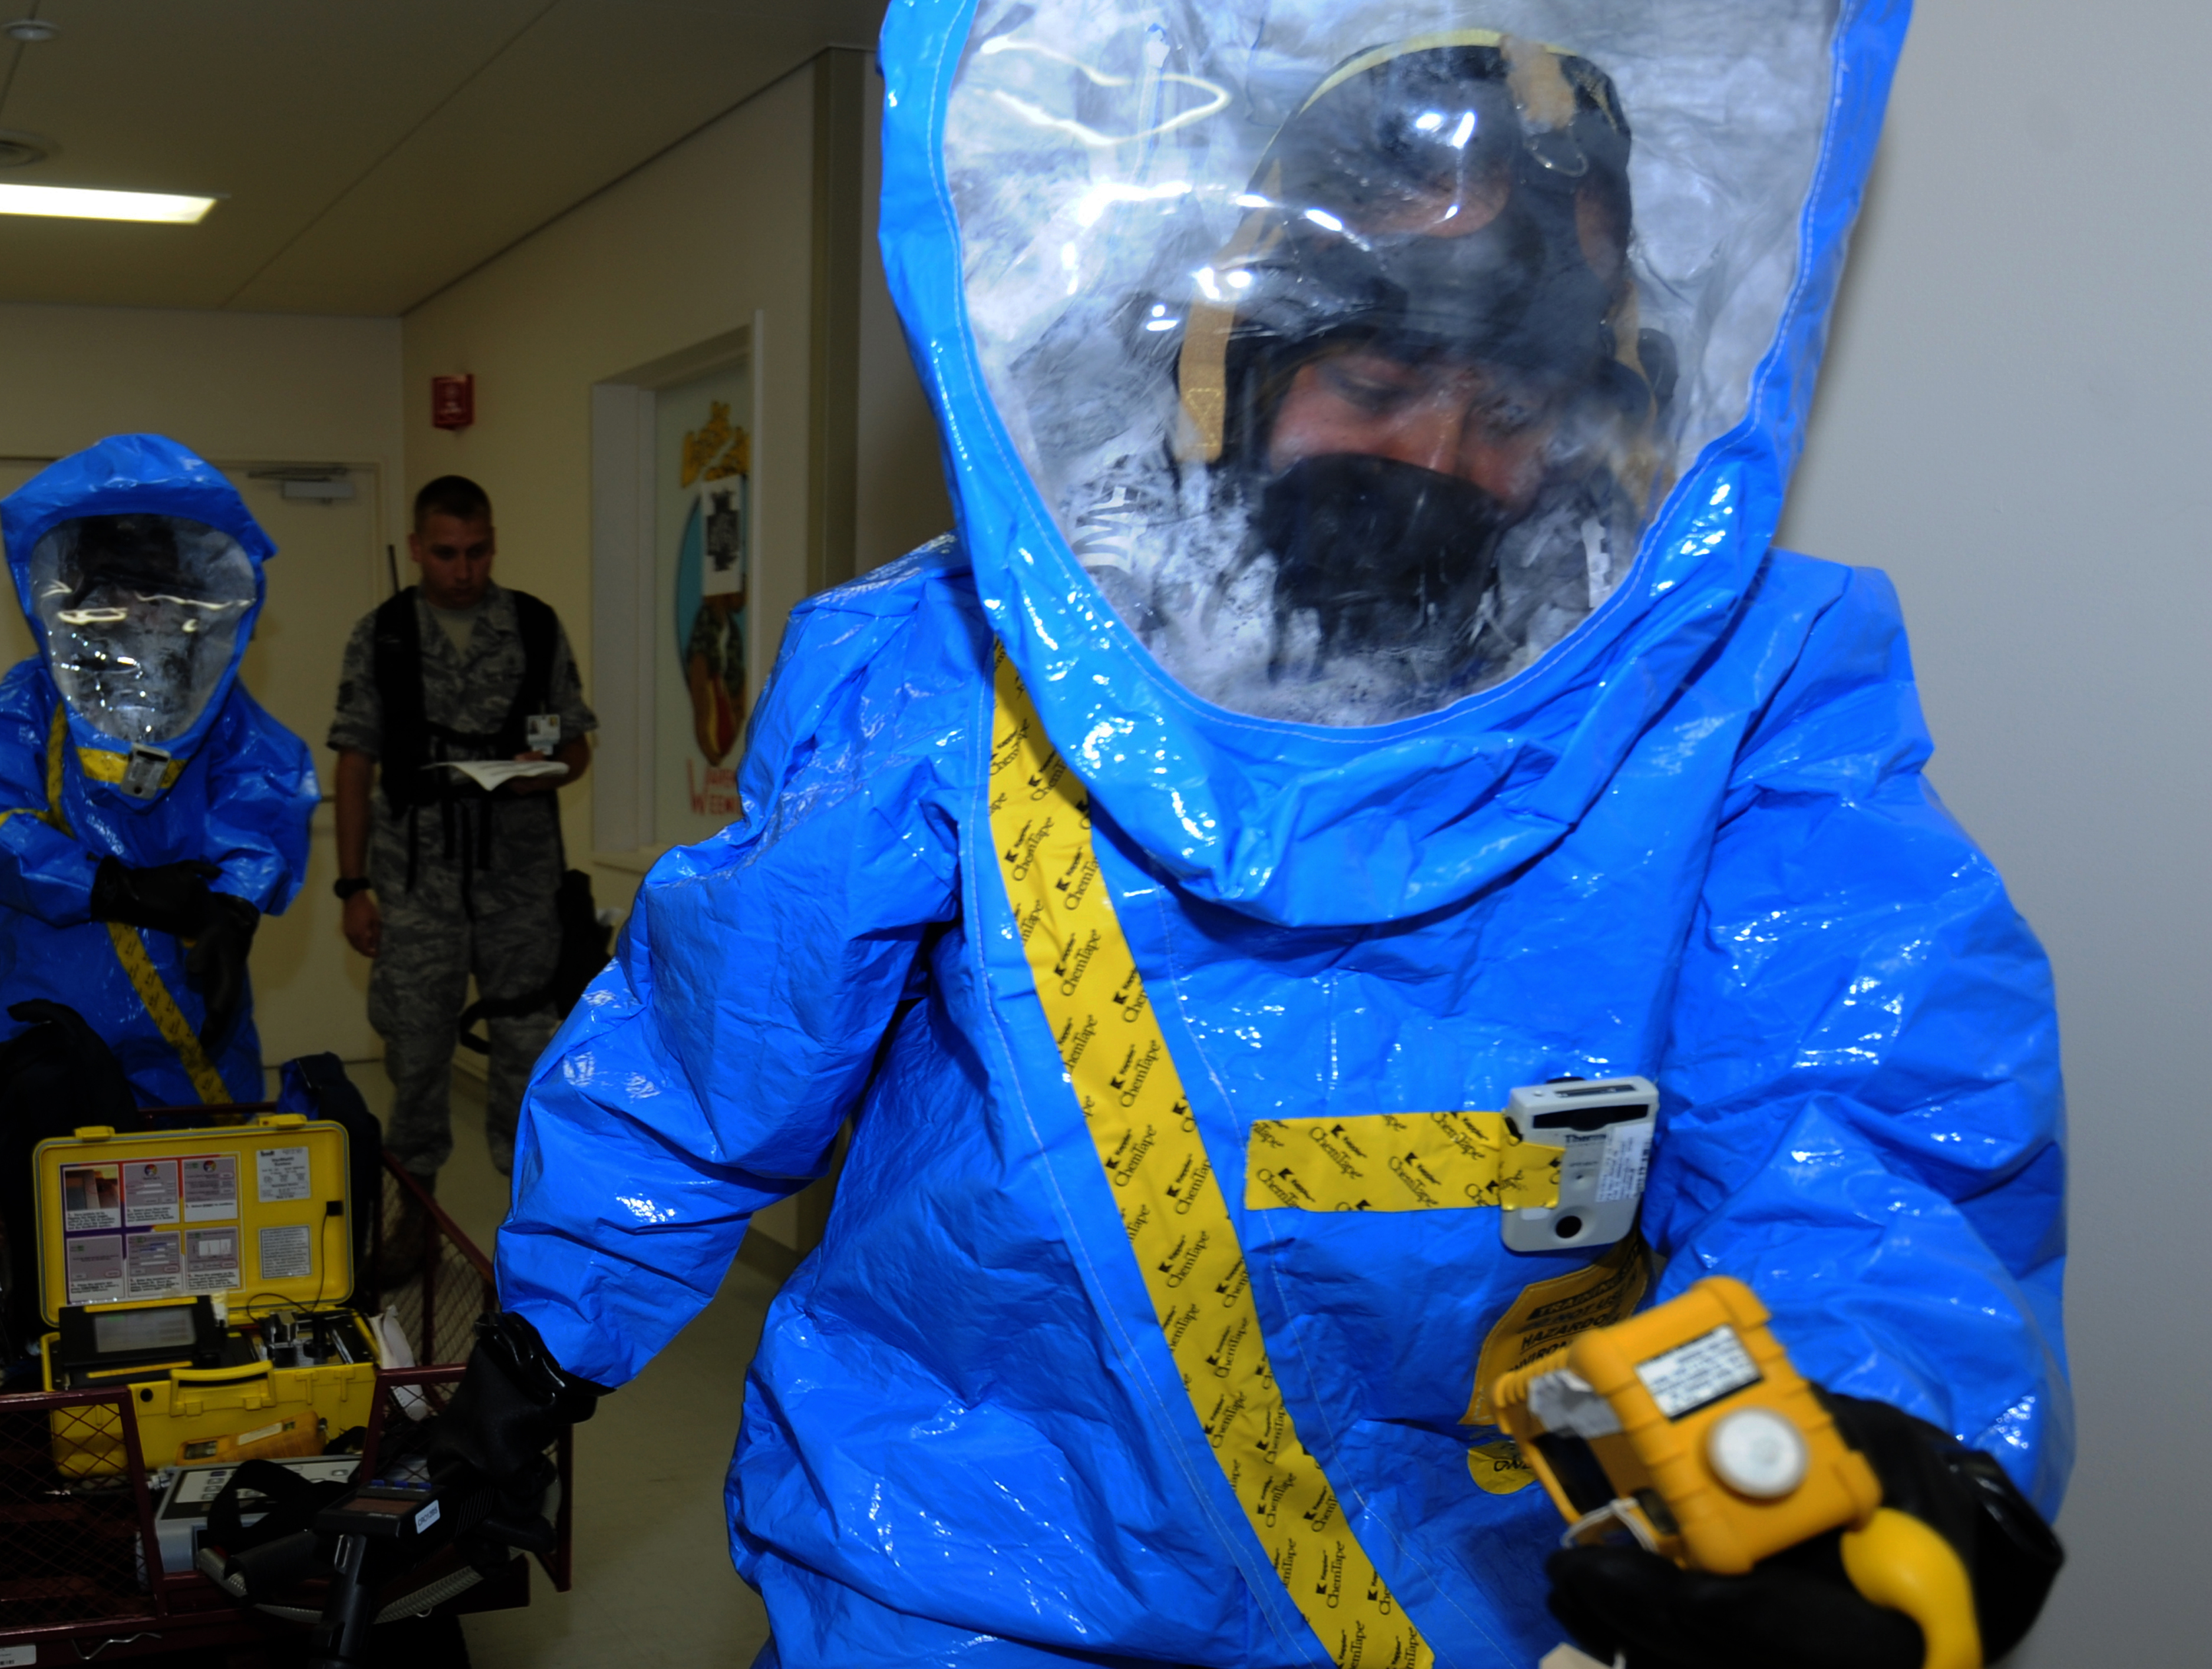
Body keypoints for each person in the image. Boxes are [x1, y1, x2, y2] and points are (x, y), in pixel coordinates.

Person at [437, 12, 2068, 1669]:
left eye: (1510, 402)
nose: (1438, 457)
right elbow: (720, 1041)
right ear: (1232, 357)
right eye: (1373, 381)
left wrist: (1860, 1451)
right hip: (968, 1569)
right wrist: (539, 1352)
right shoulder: (950, 665)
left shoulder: (1744, 694)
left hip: (1473, 1599)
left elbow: (1864, 1125)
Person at [0, 433, 317, 1106]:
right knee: (61, 1186)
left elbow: (264, 803)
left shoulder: (219, 712)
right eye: (121, 590)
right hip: (57, 1003)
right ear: (81, 597)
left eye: (162, 591)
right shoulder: (28, 703)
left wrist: (232, 914)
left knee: (203, 1189)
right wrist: (117, 890)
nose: (145, 613)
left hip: (191, 998)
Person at [329, 475, 595, 1208]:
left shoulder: (535, 627)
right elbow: (354, 764)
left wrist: (533, 778)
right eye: (446, 553)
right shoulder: (382, 635)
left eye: (477, 552)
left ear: (493, 544)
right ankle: (414, 1215)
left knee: (529, 1053)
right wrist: (353, 887)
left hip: (520, 886)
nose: (463, 568)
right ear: (417, 547)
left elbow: (576, 749)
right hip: (416, 890)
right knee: (416, 1055)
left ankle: (533, 1225)